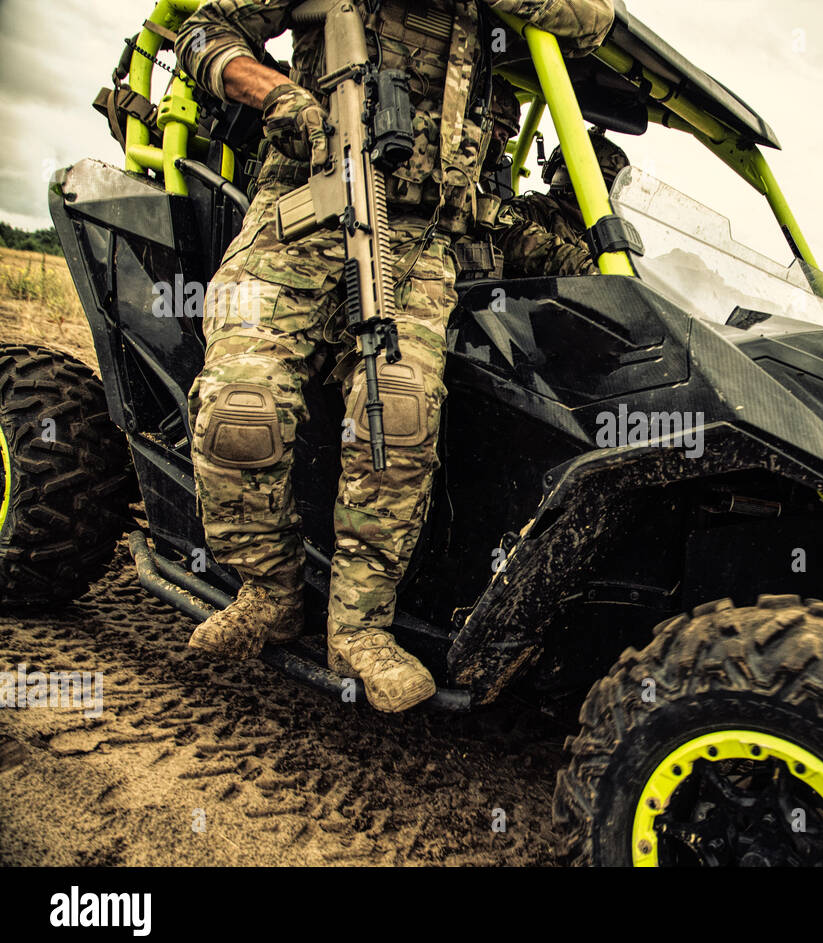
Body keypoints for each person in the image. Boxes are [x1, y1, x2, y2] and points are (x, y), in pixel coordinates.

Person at [176, 0, 614, 713]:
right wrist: (278, 95)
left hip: (417, 238)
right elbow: (200, 32)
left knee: (398, 419)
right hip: (299, 210)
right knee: (240, 408)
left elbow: (593, 20)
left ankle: (358, 630)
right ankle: (267, 590)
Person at [491, 128, 629, 278]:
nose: (607, 197)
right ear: (571, 178)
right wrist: (588, 268)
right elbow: (518, 240)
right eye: (603, 187)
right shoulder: (529, 210)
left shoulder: (597, 237)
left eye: (612, 191)